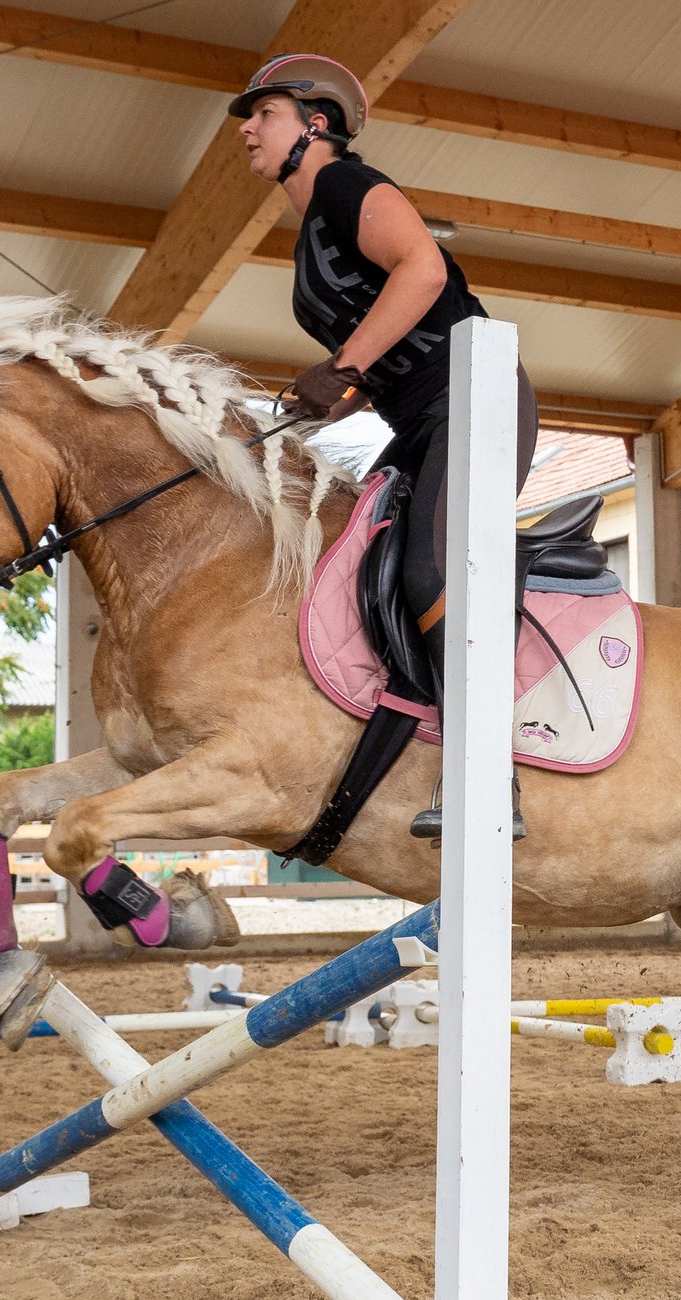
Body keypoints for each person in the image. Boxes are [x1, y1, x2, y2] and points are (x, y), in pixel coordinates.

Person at [232, 54, 539, 839]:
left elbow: (425, 270)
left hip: (480, 400)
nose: (245, 129)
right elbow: (383, 347)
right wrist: (325, 405)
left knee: (430, 564)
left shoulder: (344, 186)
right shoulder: (309, 234)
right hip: (422, 420)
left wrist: (343, 365)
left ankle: (487, 771)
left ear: (316, 124)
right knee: (353, 551)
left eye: (262, 114)